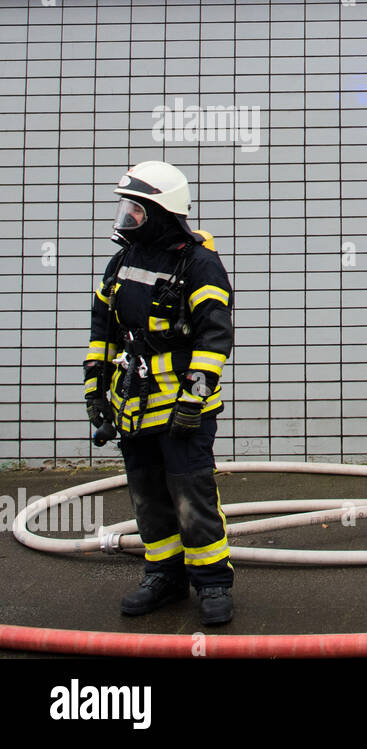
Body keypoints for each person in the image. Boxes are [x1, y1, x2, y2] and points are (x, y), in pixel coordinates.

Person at [83, 161, 236, 626]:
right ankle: (164, 575)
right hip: (132, 404)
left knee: (191, 492)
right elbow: (103, 330)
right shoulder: (122, 262)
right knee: (147, 494)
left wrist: (196, 398)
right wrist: (95, 393)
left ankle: (211, 581)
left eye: (136, 209)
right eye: (126, 208)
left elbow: (215, 335)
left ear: (162, 212)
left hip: (181, 408)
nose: (127, 217)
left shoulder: (199, 263)